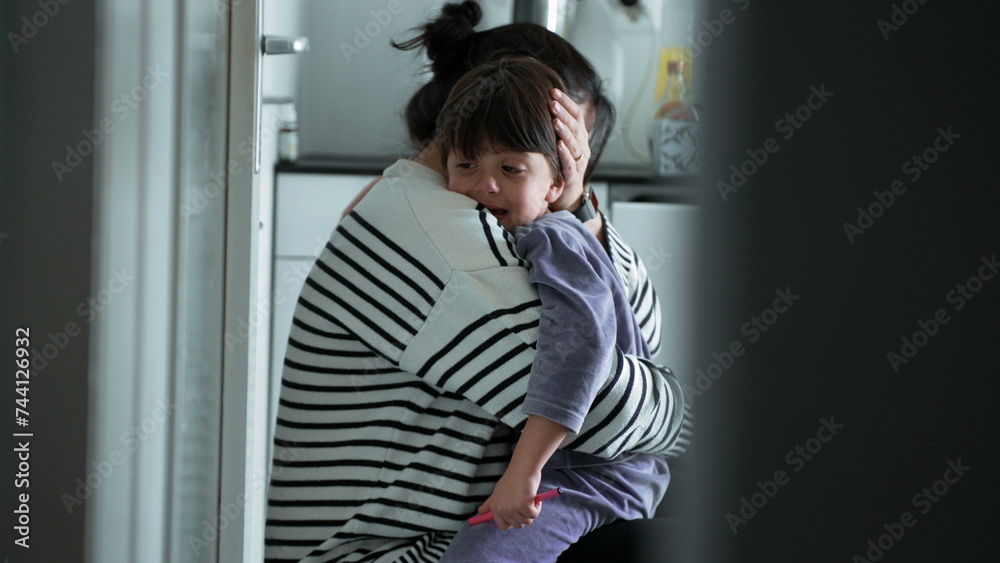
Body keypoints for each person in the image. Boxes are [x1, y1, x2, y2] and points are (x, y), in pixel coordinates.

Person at [264, 3, 691, 562]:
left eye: (573, 151)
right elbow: (606, 407)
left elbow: (629, 336)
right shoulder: (440, 228)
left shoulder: (475, 211)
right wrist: (674, 408)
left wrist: (574, 210)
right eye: (557, 137)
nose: (572, 159)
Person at [432, 57, 671, 562]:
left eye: (510, 168)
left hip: (600, 473)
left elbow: (582, 347)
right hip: (582, 466)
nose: (485, 184)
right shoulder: (515, 236)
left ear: (556, 183)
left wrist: (524, 470)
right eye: (467, 164)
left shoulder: (550, 237)